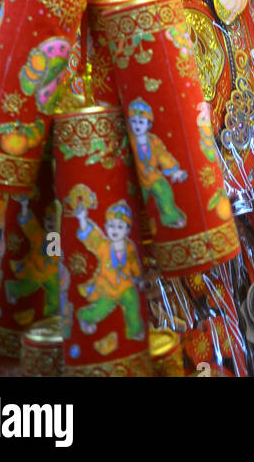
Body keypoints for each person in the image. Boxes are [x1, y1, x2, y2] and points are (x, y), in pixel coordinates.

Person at [71, 198, 145, 341]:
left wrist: (139, 278)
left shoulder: (129, 247)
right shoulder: (104, 246)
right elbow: (93, 238)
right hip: (107, 287)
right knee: (100, 310)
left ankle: (135, 331)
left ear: (128, 229)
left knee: (133, 303)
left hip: (125, 286)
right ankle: (85, 317)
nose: (115, 230)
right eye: (111, 226)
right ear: (105, 227)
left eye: (120, 226)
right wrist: (83, 219)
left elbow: (134, 263)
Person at [126, 98, 188, 229]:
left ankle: (171, 217)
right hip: (138, 178)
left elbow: (163, 156)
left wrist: (174, 170)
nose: (137, 125)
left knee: (164, 192)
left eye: (141, 122)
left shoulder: (154, 142)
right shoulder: (129, 140)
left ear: (148, 125)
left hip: (154, 177)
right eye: (134, 122)